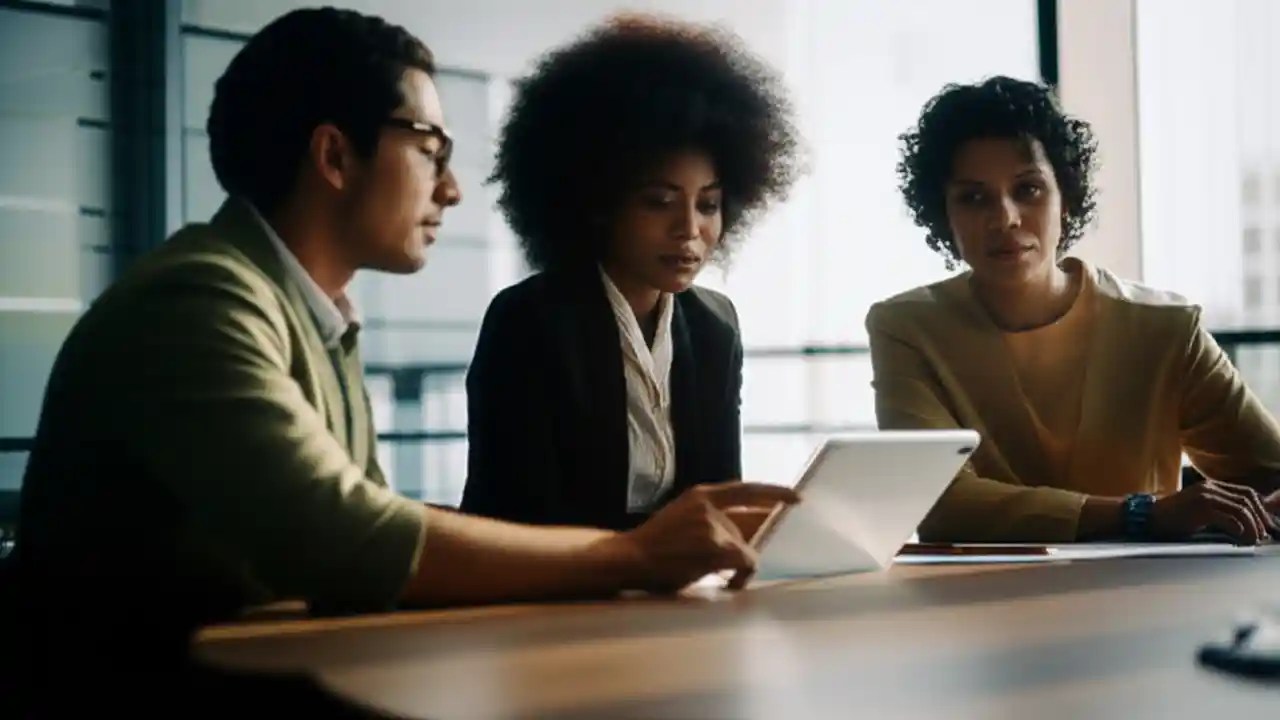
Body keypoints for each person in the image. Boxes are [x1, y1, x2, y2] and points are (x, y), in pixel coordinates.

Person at [7, 7, 797, 707]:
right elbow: (350, 538)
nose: (451, 189)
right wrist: (629, 553)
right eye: (429, 147)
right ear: (334, 156)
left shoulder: (308, 315)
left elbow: (363, 532)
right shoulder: (201, 302)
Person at [867, 76, 1280, 543]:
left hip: (1148, 595)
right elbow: (939, 504)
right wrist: (1141, 515)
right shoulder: (906, 328)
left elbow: (1270, 471)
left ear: (1066, 199)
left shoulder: (1164, 328)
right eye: (974, 197)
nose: (1005, 218)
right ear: (944, 215)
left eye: (1028, 189)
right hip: (974, 602)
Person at [460, 15, 801, 531]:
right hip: (549, 585)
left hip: (674, 586)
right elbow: (514, 511)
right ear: (598, 202)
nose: (690, 229)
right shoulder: (530, 319)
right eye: (659, 202)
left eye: (708, 205)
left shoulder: (714, 325)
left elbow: (718, 494)